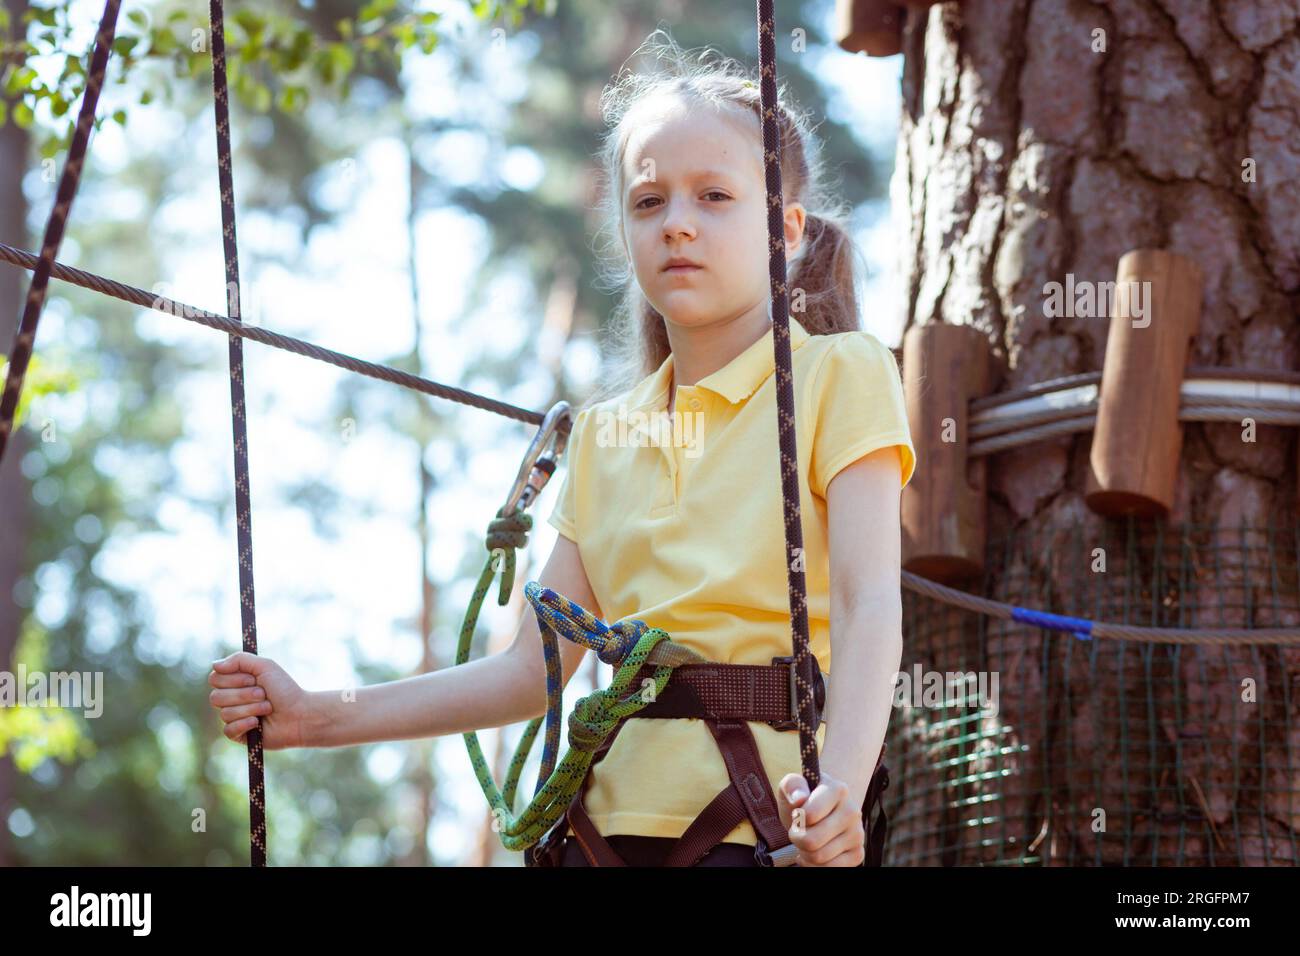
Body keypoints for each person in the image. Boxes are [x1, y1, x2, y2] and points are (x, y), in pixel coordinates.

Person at [208, 31, 916, 868]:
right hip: (595, 839)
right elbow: (529, 674)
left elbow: (874, 605)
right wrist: (316, 715)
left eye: (714, 197)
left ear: (787, 230)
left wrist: (839, 790)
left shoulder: (838, 374)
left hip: (760, 832)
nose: (678, 224)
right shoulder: (608, 434)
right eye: (649, 203)